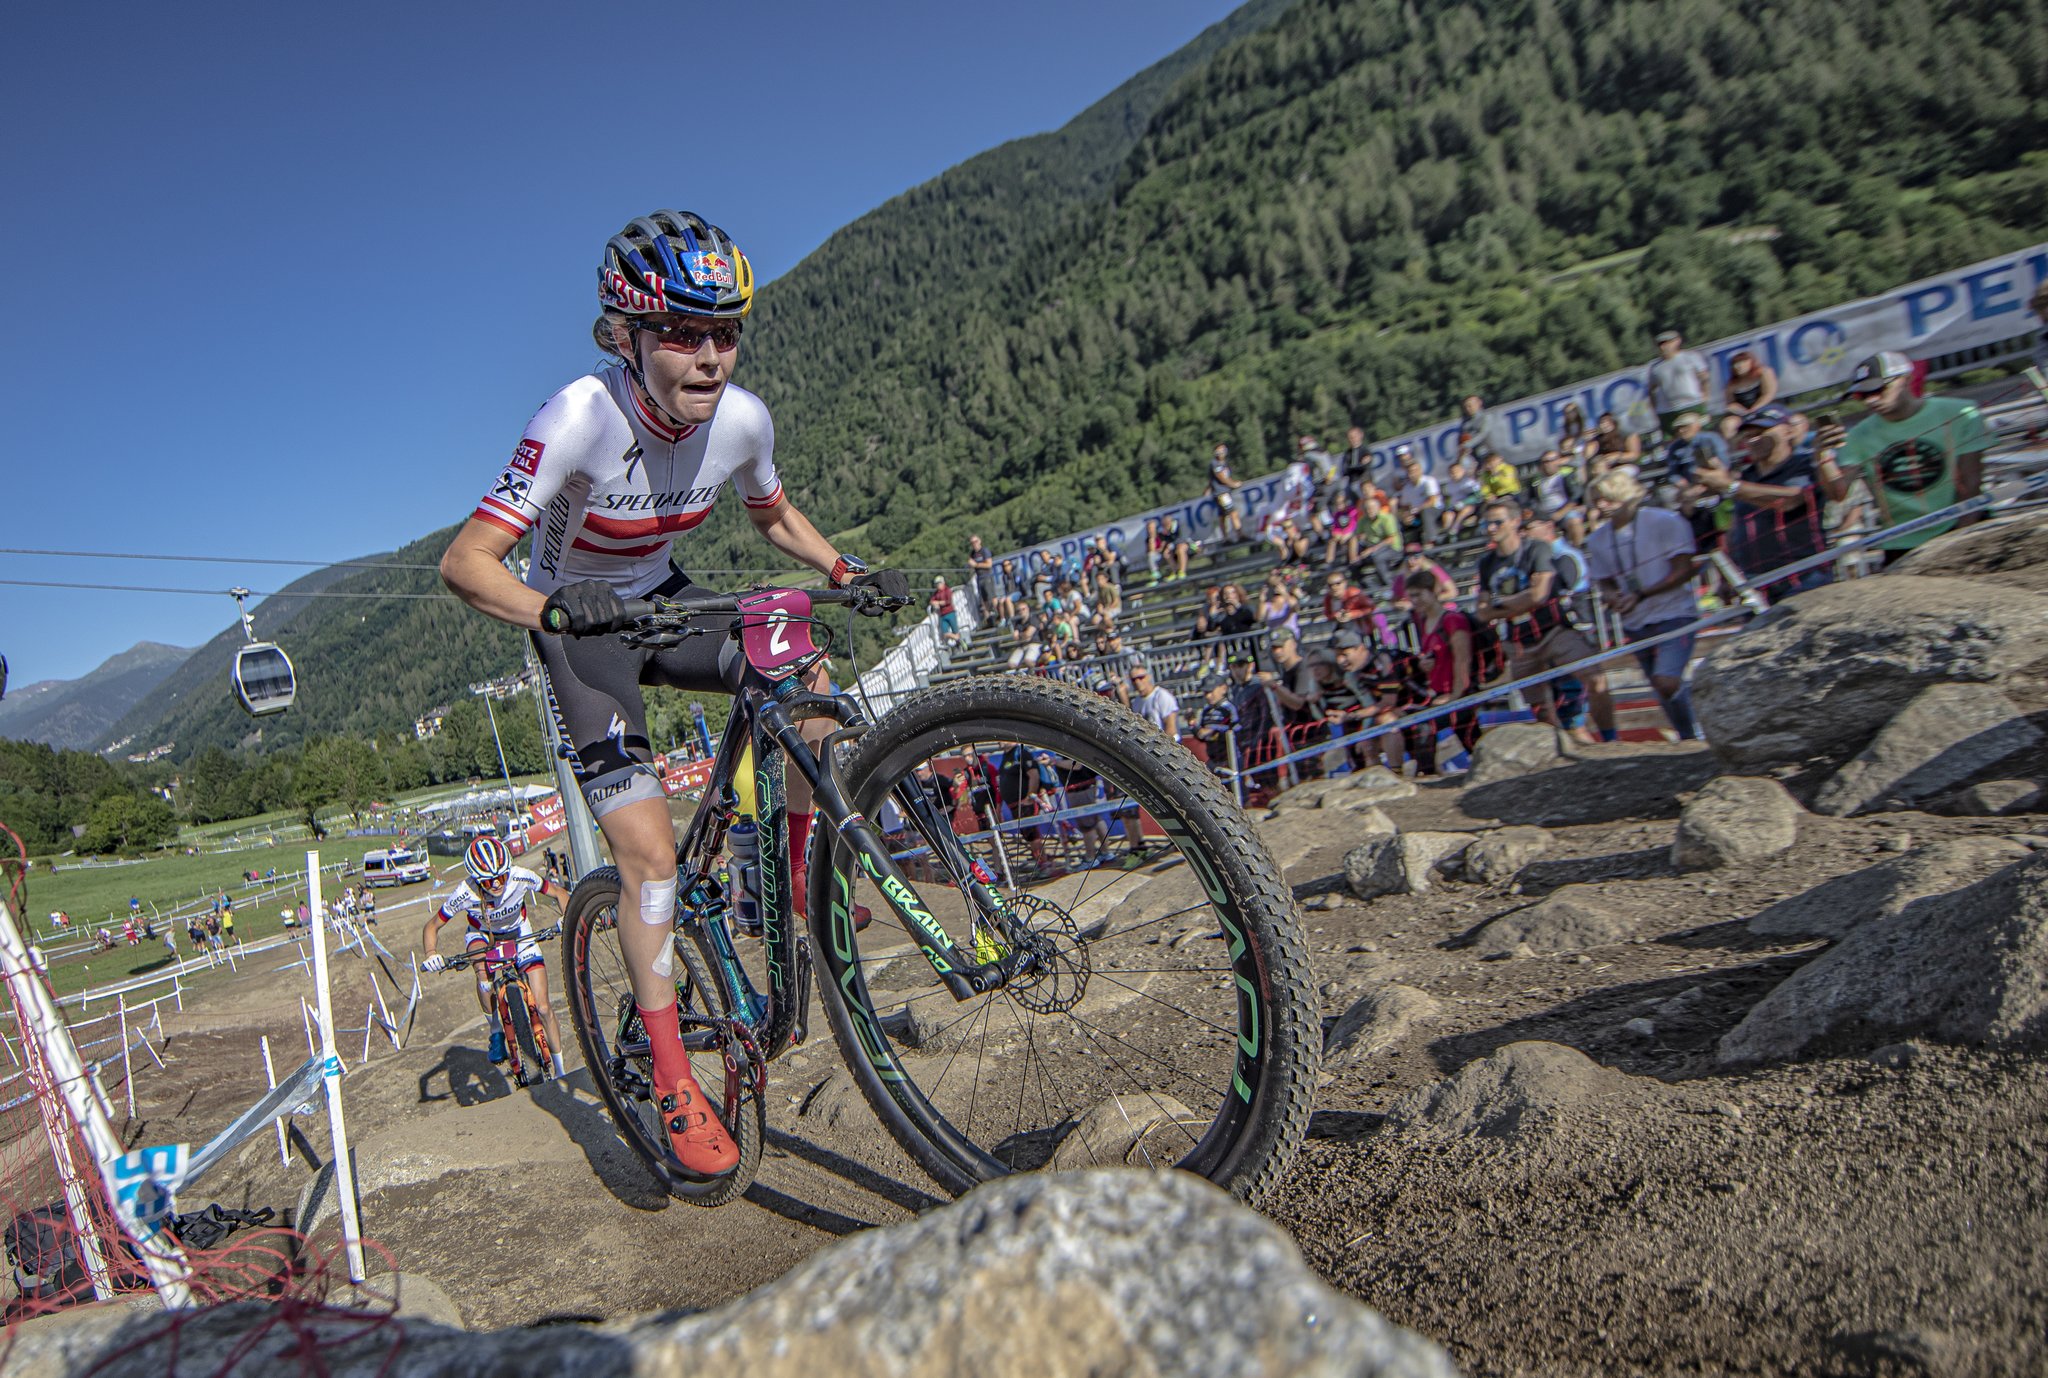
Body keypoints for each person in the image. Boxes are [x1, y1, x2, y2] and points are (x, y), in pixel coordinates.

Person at [438, 210, 909, 1176]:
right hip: (580, 629)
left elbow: (771, 512)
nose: (709, 357)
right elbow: (466, 563)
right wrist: (554, 616)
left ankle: (794, 895)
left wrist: (845, 566)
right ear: (626, 335)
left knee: (802, 668)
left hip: (661, 598)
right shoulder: (577, 418)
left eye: (725, 332)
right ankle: (668, 1070)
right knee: (650, 863)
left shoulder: (742, 420)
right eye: (683, 334)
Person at [421, 837, 571, 1080]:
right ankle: (495, 1030)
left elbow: (559, 893)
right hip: (484, 935)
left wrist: (567, 916)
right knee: (481, 970)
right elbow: (432, 926)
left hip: (520, 932)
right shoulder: (465, 892)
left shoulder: (520, 876)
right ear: (477, 880)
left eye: (501, 876)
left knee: (543, 1007)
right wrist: (431, 954)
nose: (497, 884)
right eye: (489, 881)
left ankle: (561, 1070)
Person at [1832, 351, 1992, 558]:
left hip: (1961, 528)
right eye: (1862, 395)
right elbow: (1838, 493)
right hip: (1902, 541)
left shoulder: (1961, 412)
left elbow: (1971, 482)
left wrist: (1959, 539)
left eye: (1879, 390)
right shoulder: (1857, 435)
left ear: (1905, 380)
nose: (1871, 400)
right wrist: (1822, 456)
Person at [1474, 502, 1615, 738]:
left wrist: (1499, 604)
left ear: (1514, 522)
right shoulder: (1486, 563)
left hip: (1554, 631)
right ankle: (1558, 754)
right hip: (1519, 642)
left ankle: (1611, 738)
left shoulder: (1537, 549)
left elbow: (1540, 595)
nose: (1490, 528)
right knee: (1539, 707)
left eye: (1497, 522)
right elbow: (1481, 612)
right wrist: (1519, 600)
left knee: (1595, 679)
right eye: (1486, 523)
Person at [1582, 471, 1702, 741]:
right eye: (1598, 500)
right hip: (1636, 620)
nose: (1601, 506)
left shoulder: (1664, 521)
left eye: (1607, 499)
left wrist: (1641, 593)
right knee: (1661, 687)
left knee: (1666, 679)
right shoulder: (1598, 538)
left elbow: (1684, 569)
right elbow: (1604, 581)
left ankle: (1697, 729)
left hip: (1674, 612)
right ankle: (1689, 738)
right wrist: (1614, 596)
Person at [1696, 404, 1849, 597]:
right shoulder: (1745, 476)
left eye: (1762, 432)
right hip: (1756, 582)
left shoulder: (1805, 464)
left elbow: (1790, 500)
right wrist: (1728, 574)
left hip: (1803, 576)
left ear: (1788, 431)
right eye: (1748, 435)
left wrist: (1730, 486)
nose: (1753, 440)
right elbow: (1736, 528)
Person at [1406, 578, 1478, 775]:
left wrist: (1455, 695)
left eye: (1418, 594)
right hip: (1437, 693)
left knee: (1473, 742)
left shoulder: (1452, 620)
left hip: (1459, 694)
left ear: (1433, 592)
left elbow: (1463, 658)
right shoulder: (1423, 623)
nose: (1414, 600)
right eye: (1411, 596)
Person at [1646, 330, 1711, 437]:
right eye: (1660, 344)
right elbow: (1651, 390)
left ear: (1677, 341)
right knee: (1673, 440)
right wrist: (1655, 409)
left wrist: (1705, 396)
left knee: (1702, 435)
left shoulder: (1690, 357)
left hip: (1692, 404)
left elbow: (1704, 378)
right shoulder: (1655, 367)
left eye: (1667, 342)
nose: (1664, 347)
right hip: (1667, 410)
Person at [1717, 350, 1778, 439]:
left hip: (1766, 407)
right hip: (1743, 414)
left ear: (1751, 361)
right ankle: (1732, 450)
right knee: (1727, 424)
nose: (1738, 366)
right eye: (1734, 364)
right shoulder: (1731, 385)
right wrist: (1740, 410)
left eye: (1742, 362)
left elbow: (1769, 394)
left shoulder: (1764, 372)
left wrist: (1755, 409)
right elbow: (1730, 404)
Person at [1192, 674, 1241, 783]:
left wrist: (1214, 730)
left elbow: (1235, 729)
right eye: (1205, 693)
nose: (1208, 696)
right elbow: (1201, 736)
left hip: (1231, 759)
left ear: (1223, 688)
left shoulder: (1228, 709)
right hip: (1214, 759)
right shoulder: (1205, 711)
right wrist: (1193, 726)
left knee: (1237, 790)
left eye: (1211, 691)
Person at [1389, 448, 1442, 547]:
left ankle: (1431, 541)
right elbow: (1405, 506)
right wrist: (1406, 515)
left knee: (1426, 512)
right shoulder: (1406, 488)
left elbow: (1432, 501)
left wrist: (1416, 510)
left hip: (1434, 511)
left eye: (1415, 471)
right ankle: (1405, 547)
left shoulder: (1428, 481)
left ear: (1420, 470)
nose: (1412, 474)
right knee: (1400, 522)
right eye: (1410, 472)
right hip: (1416, 515)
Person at [1127, 663, 1179, 740]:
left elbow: (1171, 729)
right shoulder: (1136, 702)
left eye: (1141, 677)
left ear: (1148, 677)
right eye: (1133, 679)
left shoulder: (1161, 696)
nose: (1137, 682)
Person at [1208, 443, 1246, 542]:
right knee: (1233, 513)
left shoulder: (1224, 463)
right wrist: (1233, 484)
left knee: (1223, 516)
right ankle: (1239, 535)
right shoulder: (1215, 463)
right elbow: (1221, 477)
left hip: (1224, 492)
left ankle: (1225, 538)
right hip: (1222, 494)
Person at [928, 577, 961, 651]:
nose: (938, 585)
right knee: (945, 633)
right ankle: (957, 639)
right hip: (943, 615)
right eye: (936, 584)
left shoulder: (947, 590)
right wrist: (938, 602)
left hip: (950, 613)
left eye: (939, 583)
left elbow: (947, 601)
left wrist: (939, 603)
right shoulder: (936, 593)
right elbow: (932, 601)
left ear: (943, 583)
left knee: (955, 630)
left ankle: (958, 645)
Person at [966, 535, 996, 613]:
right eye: (972, 543)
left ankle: (997, 612)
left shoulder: (984, 551)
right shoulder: (972, 554)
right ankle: (990, 615)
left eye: (975, 541)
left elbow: (989, 564)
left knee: (991, 596)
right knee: (984, 599)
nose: (974, 544)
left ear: (979, 541)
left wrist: (976, 565)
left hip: (987, 576)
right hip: (979, 578)